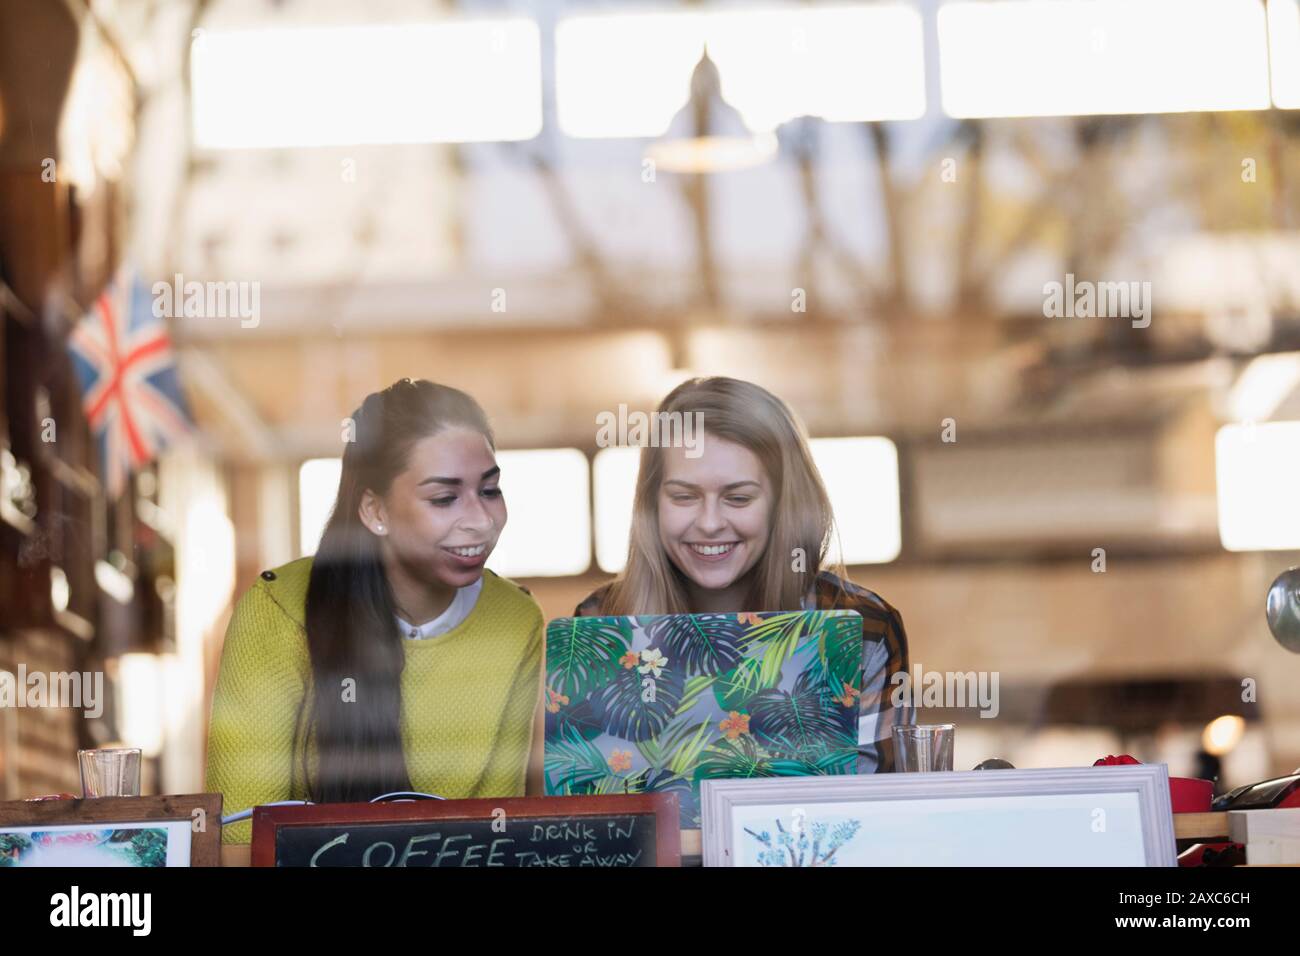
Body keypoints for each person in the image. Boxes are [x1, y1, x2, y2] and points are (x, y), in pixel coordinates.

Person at [205, 379, 544, 843]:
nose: (481, 521)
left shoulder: (516, 619)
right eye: (444, 498)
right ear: (374, 509)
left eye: (490, 490)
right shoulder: (278, 611)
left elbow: (502, 826)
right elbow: (241, 841)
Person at [574, 376, 910, 771]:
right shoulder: (601, 623)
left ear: (782, 504)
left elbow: (875, 810)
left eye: (738, 498)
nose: (711, 523)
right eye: (684, 496)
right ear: (651, 503)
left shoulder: (864, 626)